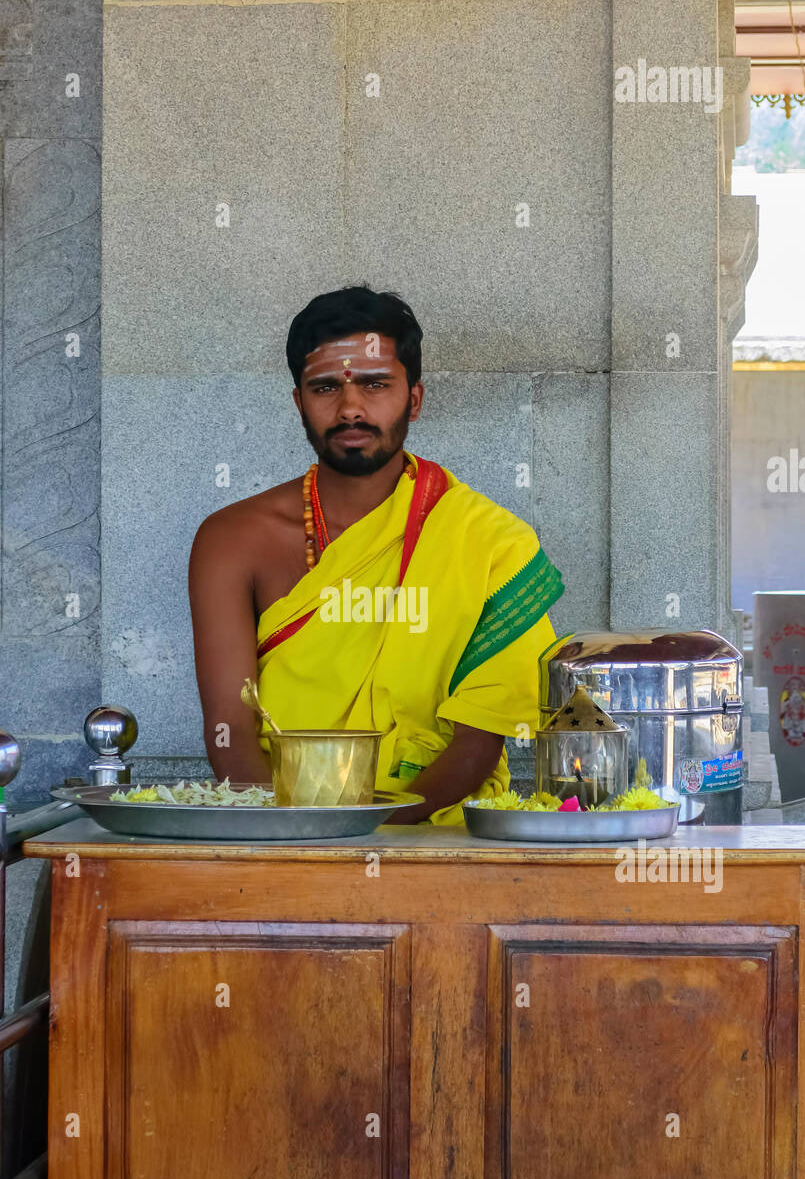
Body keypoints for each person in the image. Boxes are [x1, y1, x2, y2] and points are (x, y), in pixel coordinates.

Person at [187, 285, 563, 824]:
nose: (350, 409)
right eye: (324, 388)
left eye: (375, 384)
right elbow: (230, 728)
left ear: (414, 397)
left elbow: (478, 744)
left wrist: (372, 839)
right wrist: (288, 836)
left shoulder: (492, 542)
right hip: (278, 831)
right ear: (298, 401)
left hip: (436, 838)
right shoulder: (230, 539)